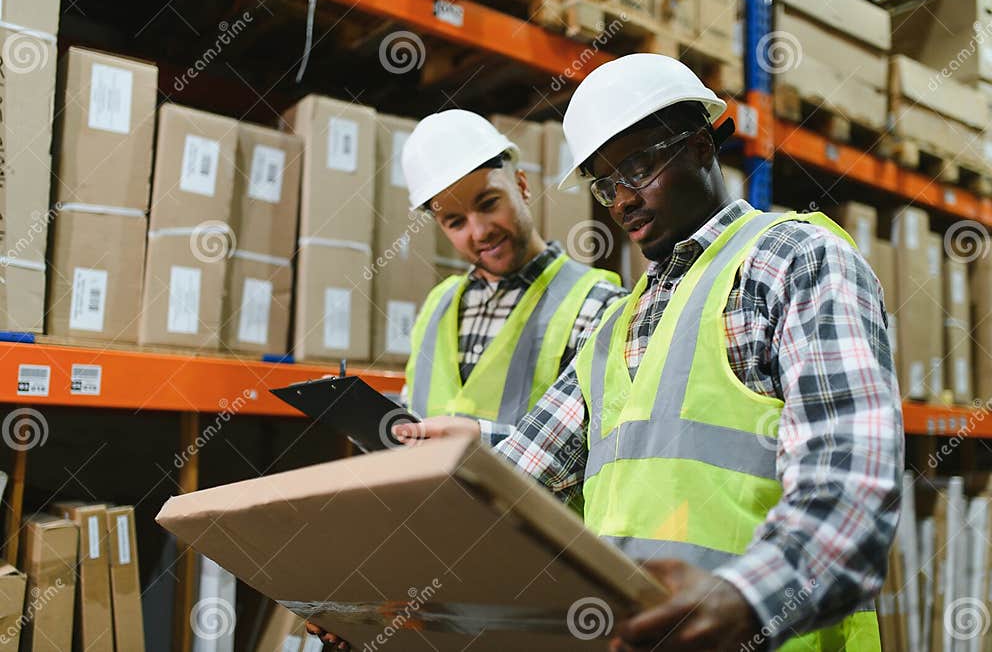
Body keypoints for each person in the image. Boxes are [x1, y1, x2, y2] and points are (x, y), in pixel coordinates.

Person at [396, 54, 903, 650]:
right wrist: (376, 592)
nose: (622, 201)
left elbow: (851, 473)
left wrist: (744, 598)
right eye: (606, 184)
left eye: (638, 168)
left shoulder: (791, 260)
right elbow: (524, 472)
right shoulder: (618, 323)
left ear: (701, 146)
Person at [306, 109, 626, 650]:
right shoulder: (436, 308)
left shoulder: (597, 302)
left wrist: (480, 449)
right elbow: (404, 453)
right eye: (455, 222)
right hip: (434, 582)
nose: (479, 233)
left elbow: (605, 458)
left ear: (521, 184)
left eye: (488, 203)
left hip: (540, 584)